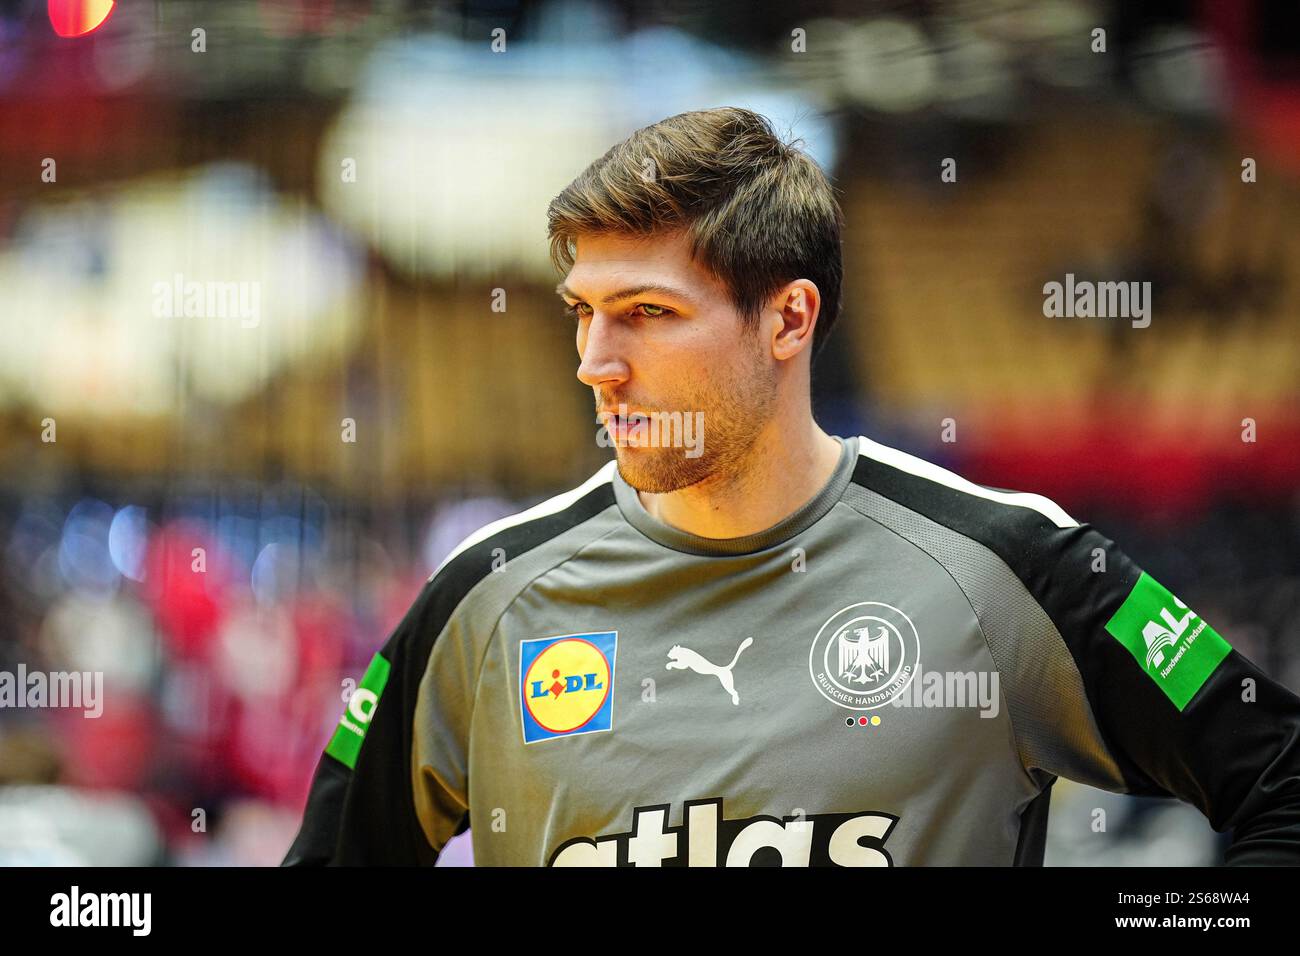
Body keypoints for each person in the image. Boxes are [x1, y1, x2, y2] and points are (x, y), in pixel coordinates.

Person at [283, 107, 1300, 866]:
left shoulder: (1008, 565)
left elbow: (1279, 774)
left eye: (645, 311)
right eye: (581, 312)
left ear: (787, 319)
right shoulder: (484, 594)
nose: (597, 360)